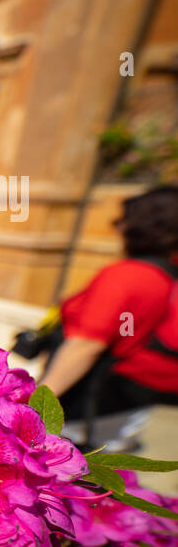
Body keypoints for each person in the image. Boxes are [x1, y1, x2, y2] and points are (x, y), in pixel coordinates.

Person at [40, 186, 178, 447]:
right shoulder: (166, 275)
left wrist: (36, 403)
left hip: (85, 405)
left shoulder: (128, 276)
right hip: (127, 407)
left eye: (123, 220)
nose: (118, 227)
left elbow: (86, 346)